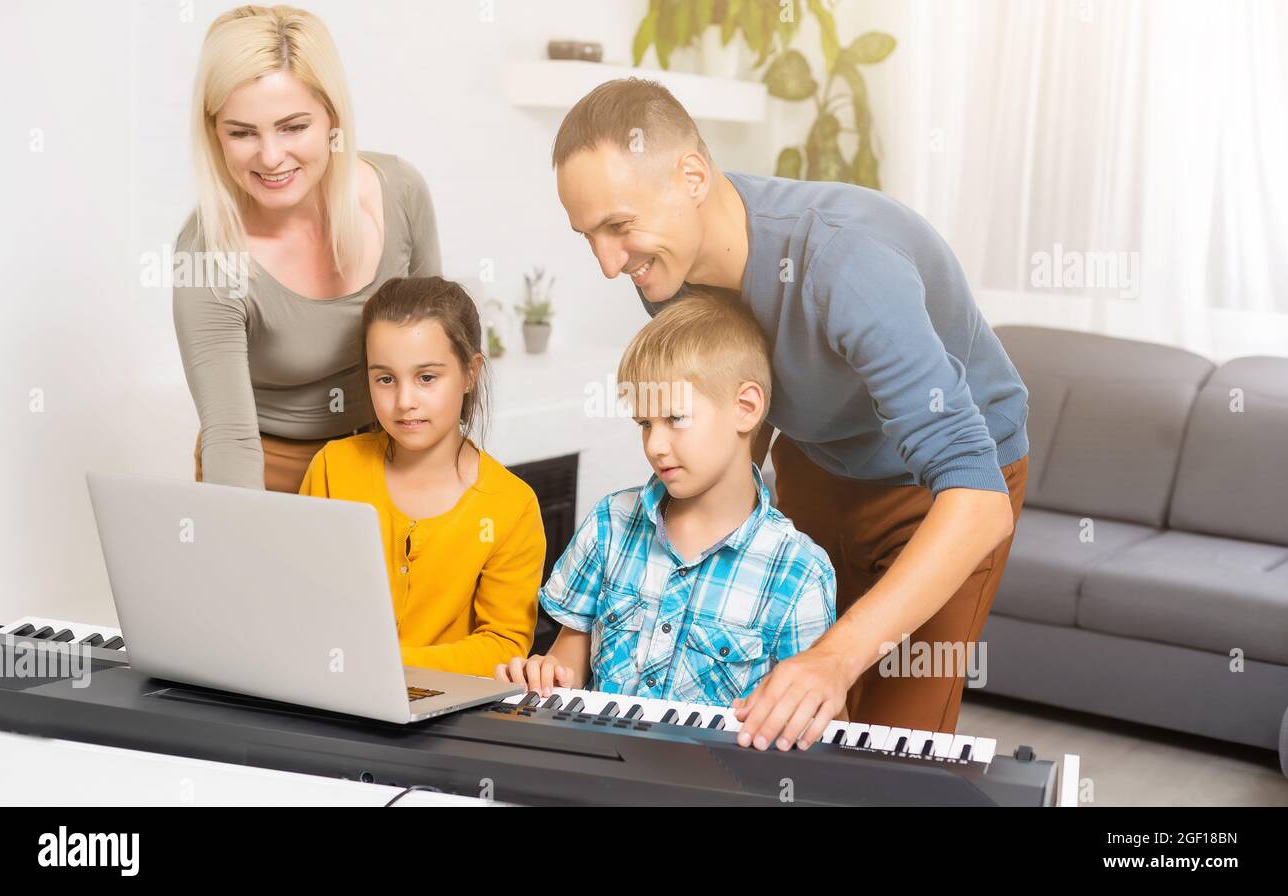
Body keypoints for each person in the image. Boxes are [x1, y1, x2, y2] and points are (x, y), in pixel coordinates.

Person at [552, 78, 1030, 751]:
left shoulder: (847, 264)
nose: (608, 263)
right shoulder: (667, 273)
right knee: (777, 729)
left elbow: (977, 499)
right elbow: (735, 414)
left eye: (618, 227)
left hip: (943, 487)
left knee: (887, 754)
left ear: (691, 175)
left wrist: (837, 657)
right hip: (816, 457)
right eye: (589, 236)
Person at [496, 293, 835, 708]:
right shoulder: (610, 524)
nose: (655, 445)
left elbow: (817, 726)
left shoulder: (798, 574)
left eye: (675, 419)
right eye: (644, 423)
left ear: (745, 409)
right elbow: (567, 664)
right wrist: (545, 679)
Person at [175, 4, 441, 492]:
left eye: (294, 126)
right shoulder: (206, 252)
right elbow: (231, 439)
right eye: (241, 133)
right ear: (214, 132)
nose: (271, 157)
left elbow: (437, 358)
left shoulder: (400, 193)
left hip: (386, 457)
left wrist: (442, 488)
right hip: (265, 468)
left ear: (332, 119)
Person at [300, 277, 546, 674]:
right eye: (385, 379)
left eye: (427, 377)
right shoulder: (332, 468)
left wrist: (383, 663)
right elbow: (302, 596)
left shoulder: (511, 506)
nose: (404, 402)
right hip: (333, 697)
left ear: (470, 373)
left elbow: (504, 645)